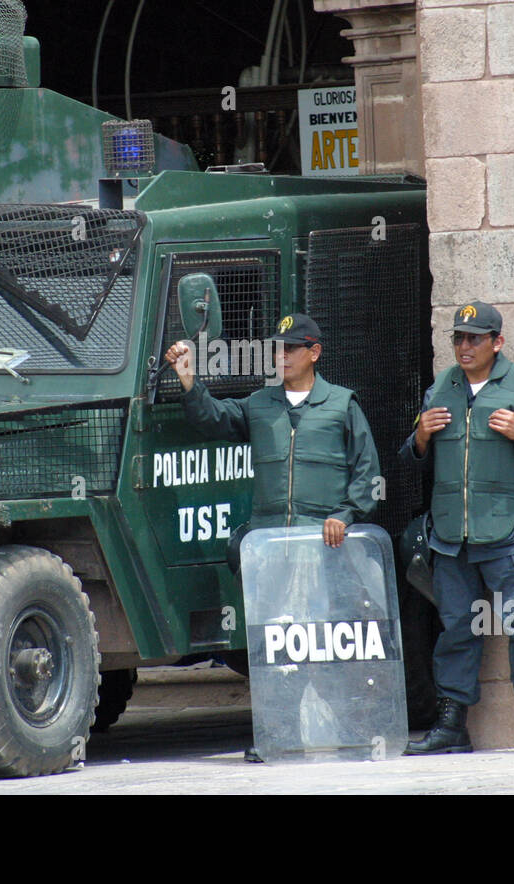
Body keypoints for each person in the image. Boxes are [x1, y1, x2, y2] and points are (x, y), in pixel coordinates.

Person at [165, 312, 381, 761]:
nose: (281, 356)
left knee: (327, 642)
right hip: (273, 551)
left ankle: (355, 731)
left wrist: (345, 513)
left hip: (325, 550)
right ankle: (279, 738)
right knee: (276, 644)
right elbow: (212, 420)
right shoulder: (260, 404)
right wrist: (188, 378)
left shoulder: (342, 404)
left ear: (314, 352)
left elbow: (367, 474)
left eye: (290, 349)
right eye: (276, 349)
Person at [401, 301, 514, 755]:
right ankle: (451, 725)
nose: (464, 346)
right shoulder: (441, 388)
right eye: (458, 338)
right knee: (456, 628)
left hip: (506, 531)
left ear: (496, 342)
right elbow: (411, 460)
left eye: (474, 338)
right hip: (450, 536)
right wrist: (420, 437)